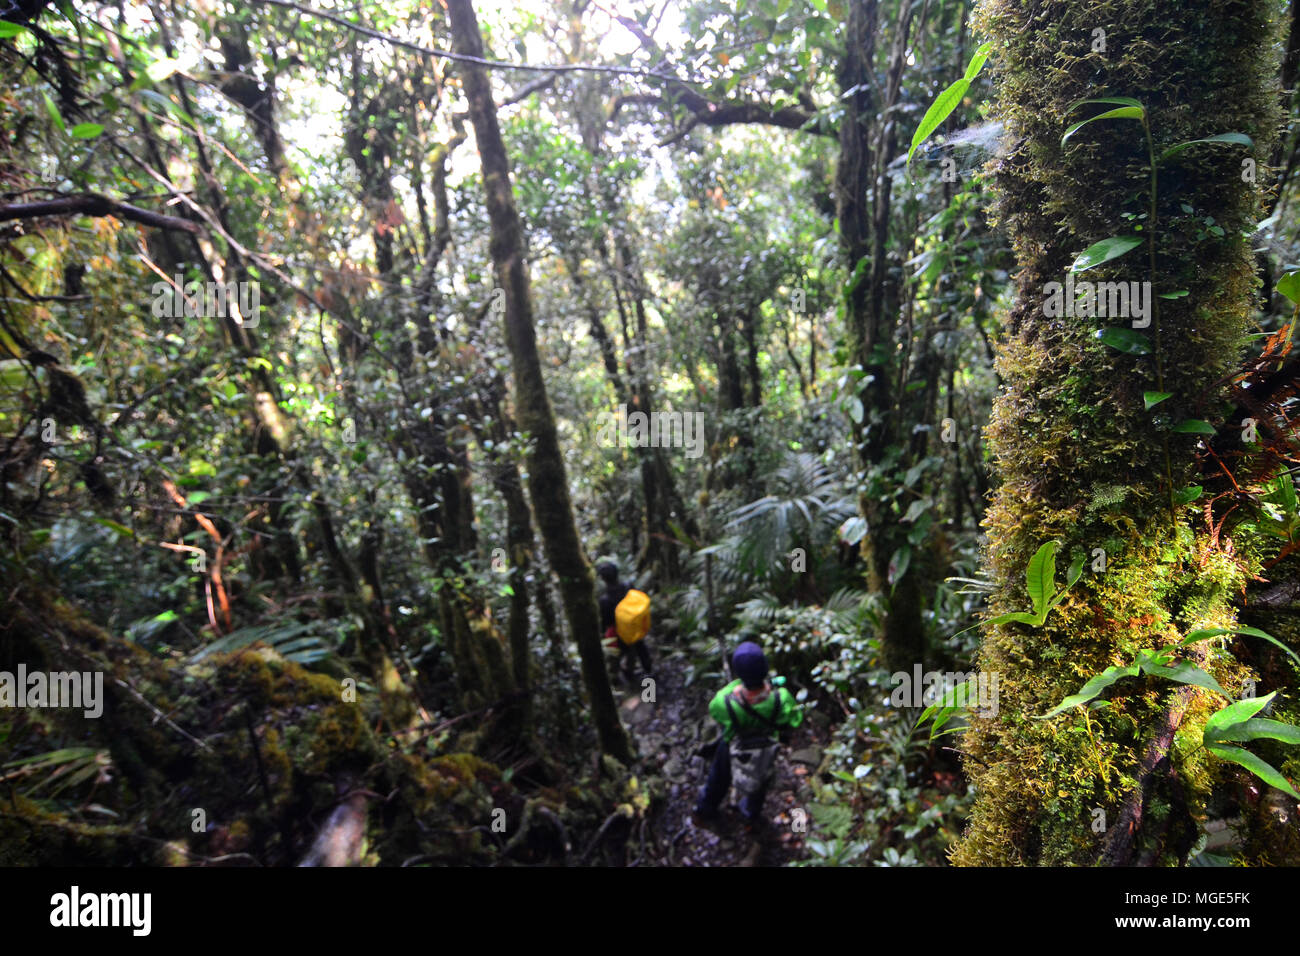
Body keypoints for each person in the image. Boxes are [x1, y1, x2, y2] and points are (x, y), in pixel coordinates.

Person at [694, 641, 803, 826]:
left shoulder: (725, 702)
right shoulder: (781, 697)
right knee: (759, 779)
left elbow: (715, 712)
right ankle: (750, 814)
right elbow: (794, 719)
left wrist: (735, 687)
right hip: (766, 747)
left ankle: (706, 809)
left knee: (719, 778)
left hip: (732, 745)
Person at [596, 560, 652, 684]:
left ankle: (622, 677)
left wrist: (602, 633)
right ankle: (647, 670)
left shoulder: (604, 600)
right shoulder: (629, 586)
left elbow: (606, 621)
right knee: (640, 646)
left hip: (619, 632)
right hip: (635, 626)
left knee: (619, 653)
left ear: (603, 579)